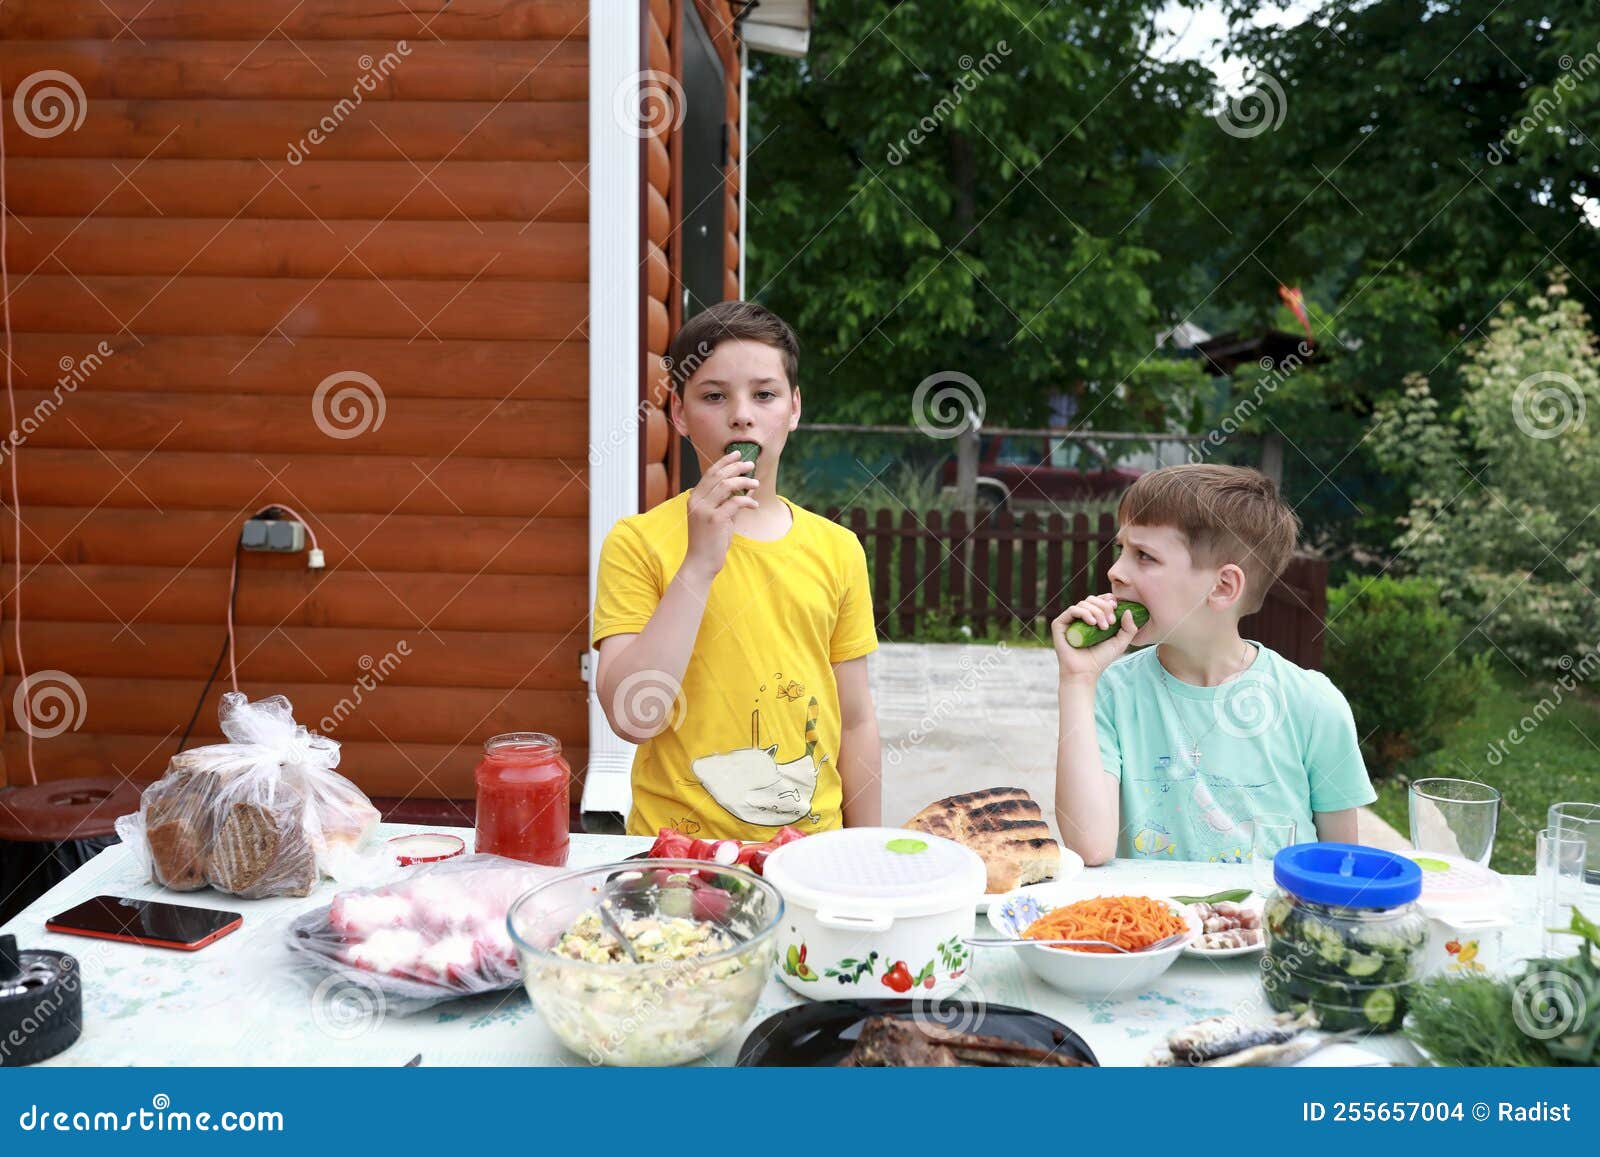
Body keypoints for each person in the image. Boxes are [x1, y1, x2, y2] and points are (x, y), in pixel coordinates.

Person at [592, 301, 881, 840]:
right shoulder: (638, 543)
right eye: (714, 396)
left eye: (764, 394)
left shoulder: (837, 549)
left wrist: (865, 848)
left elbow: (858, 721)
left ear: (793, 409)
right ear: (678, 414)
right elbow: (634, 719)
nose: (742, 415)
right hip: (677, 855)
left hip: (808, 853)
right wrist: (699, 564)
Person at [1052, 464, 1374, 864]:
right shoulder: (1109, 693)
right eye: (1122, 550)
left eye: (1145, 556)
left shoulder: (1313, 704)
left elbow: (1342, 868)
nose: (1115, 571)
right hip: (1155, 925)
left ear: (1222, 587)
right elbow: (1090, 847)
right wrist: (1077, 682)